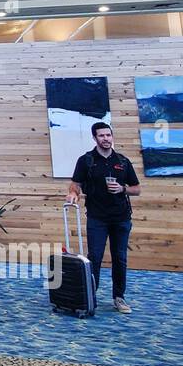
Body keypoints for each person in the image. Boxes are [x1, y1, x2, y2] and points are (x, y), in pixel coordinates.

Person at [66, 122, 140, 314]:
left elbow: (136, 189)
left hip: (121, 217)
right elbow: (75, 184)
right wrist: (74, 194)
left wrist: (123, 188)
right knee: (95, 258)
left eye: (108, 135)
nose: (106, 139)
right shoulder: (86, 160)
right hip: (97, 217)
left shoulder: (123, 161)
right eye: (101, 136)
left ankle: (119, 297)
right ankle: (91, 295)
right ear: (94, 138)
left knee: (120, 258)